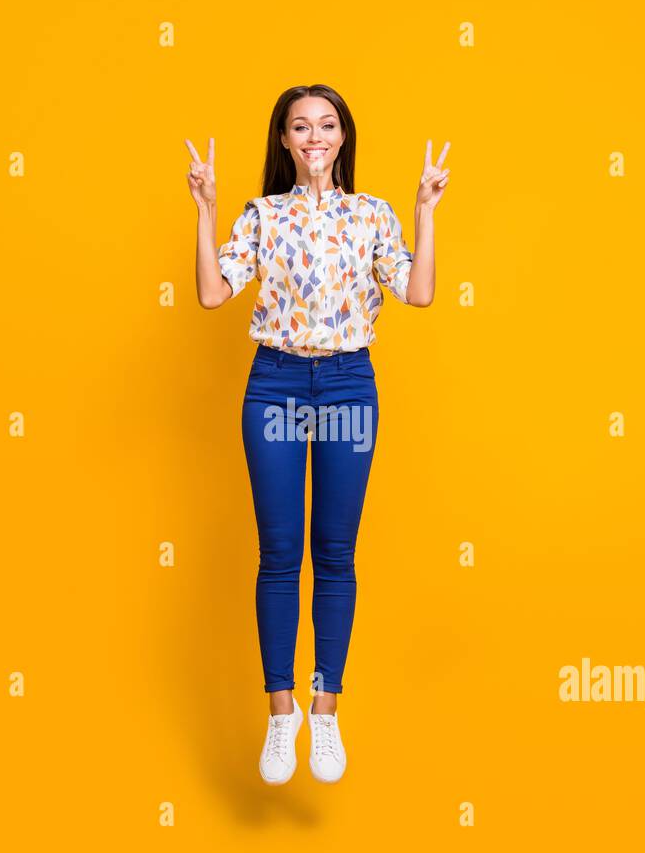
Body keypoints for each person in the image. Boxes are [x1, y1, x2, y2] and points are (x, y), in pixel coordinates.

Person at [185, 84, 450, 785]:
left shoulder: (371, 215)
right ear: (283, 141)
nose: (313, 137)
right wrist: (207, 210)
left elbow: (417, 293)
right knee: (279, 552)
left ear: (342, 137)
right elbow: (215, 293)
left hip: (346, 385)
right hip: (274, 382)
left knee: (334, 551)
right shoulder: (263, 215)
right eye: (300, 126)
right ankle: (282, 713)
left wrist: (424, 214)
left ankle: (325, 710)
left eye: (326, 125)